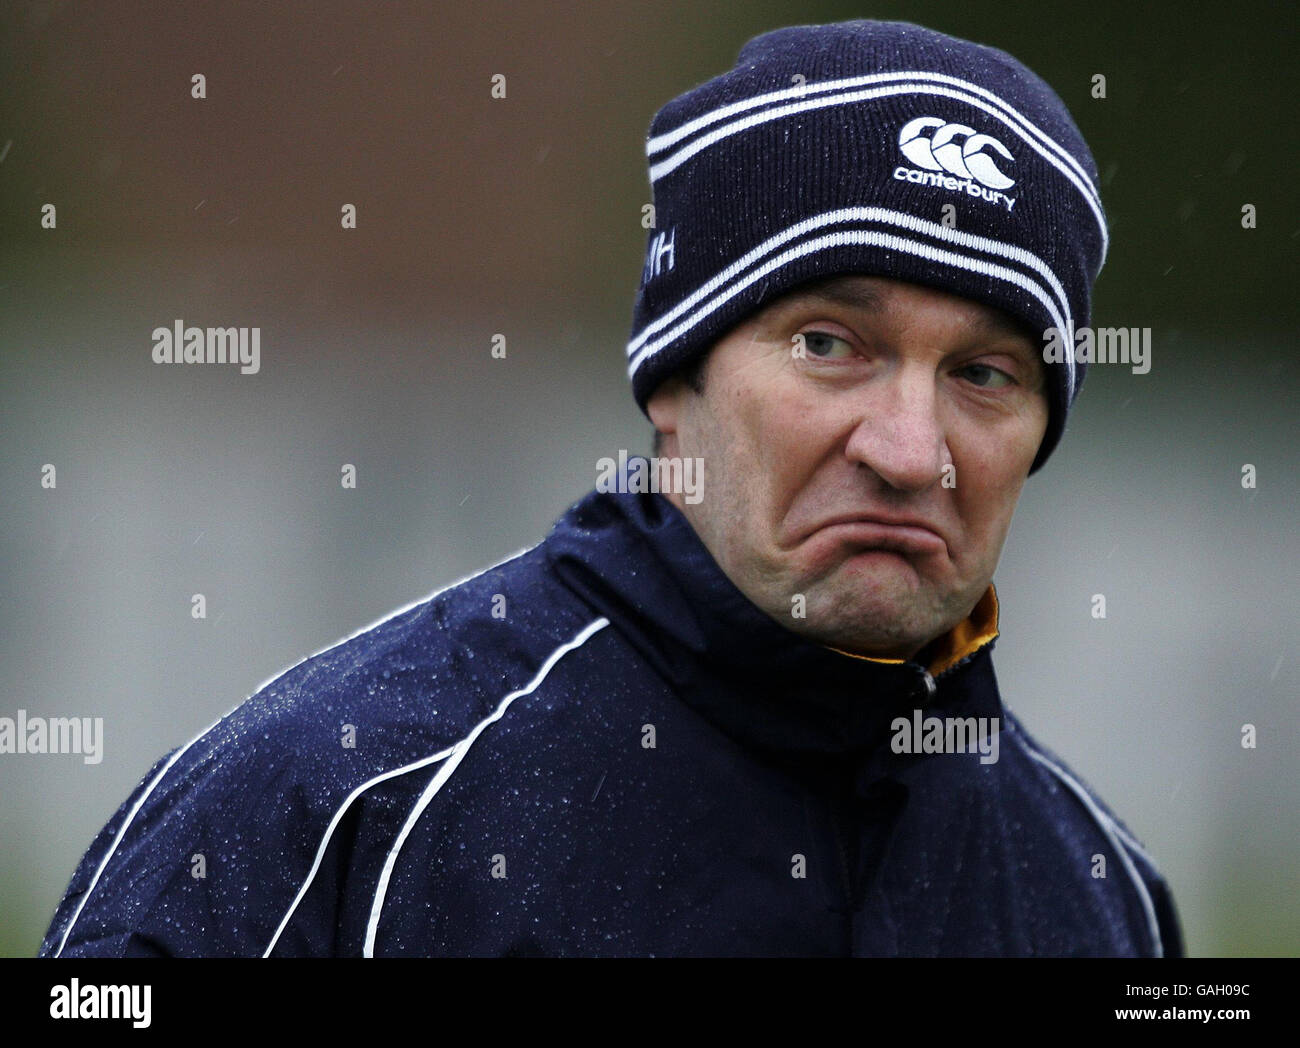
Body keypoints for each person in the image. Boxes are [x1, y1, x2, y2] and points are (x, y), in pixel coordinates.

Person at [41, 18, 1182, 958]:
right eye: (830, 344)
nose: (906, 448)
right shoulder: (331, 809)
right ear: (673, 382)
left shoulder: (1102, 899)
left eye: (984, 374)